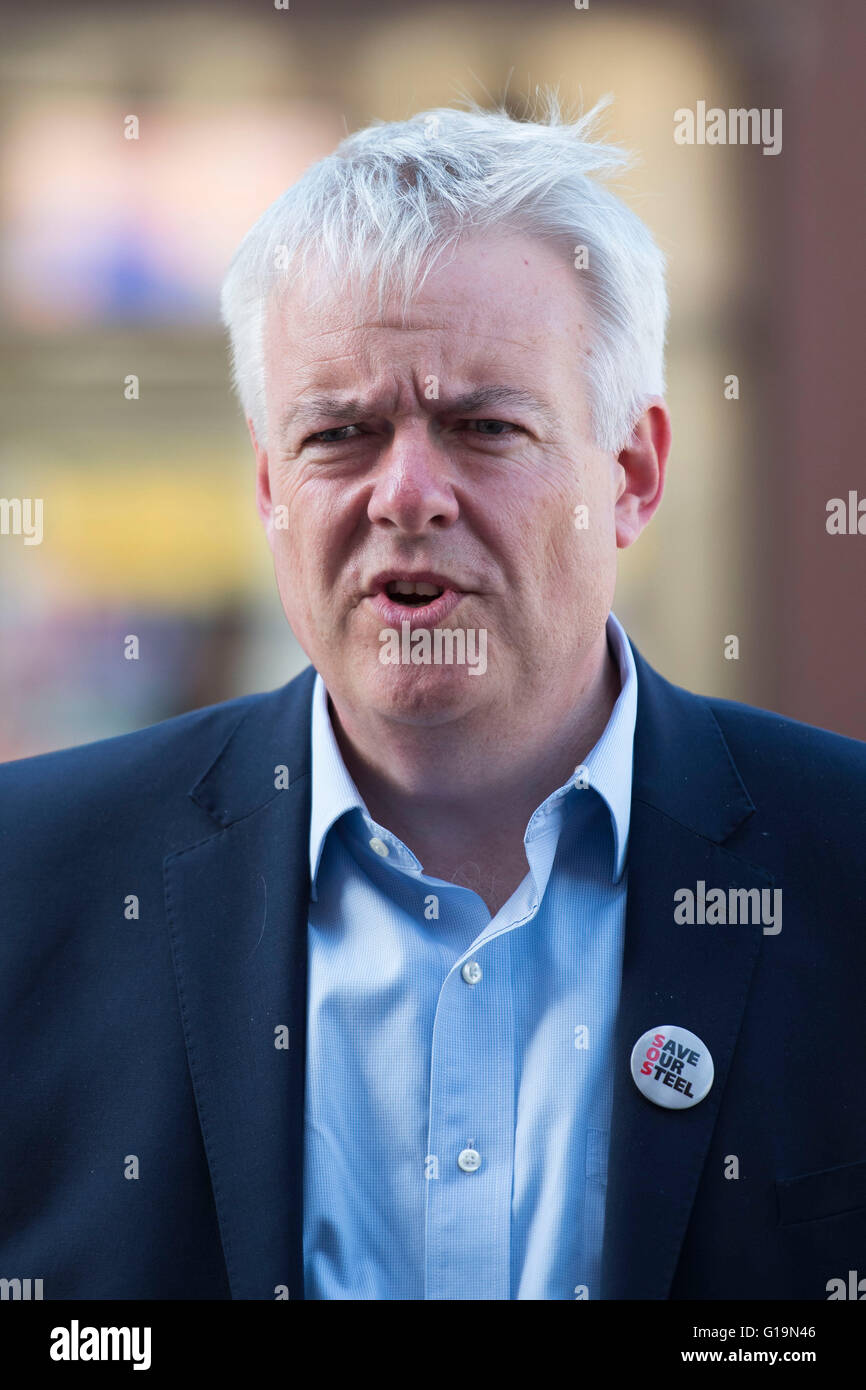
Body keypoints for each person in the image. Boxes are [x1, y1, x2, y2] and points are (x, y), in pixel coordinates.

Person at [1, 97, 864, 1302]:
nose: (407, 493)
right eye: (341, 432)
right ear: (267, 484)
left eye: (483, 425)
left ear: (630, 473)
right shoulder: (31, 880)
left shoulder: (840, 865)